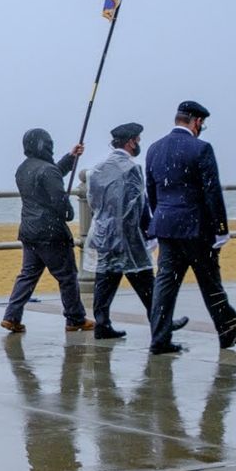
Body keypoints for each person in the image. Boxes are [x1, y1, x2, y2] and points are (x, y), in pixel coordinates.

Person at [145, 100, 236, 355]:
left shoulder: (154, 149)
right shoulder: (201, 149)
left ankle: (159, 339)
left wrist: (162, 216)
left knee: (165, 284)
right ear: (196, 122)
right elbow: (212, 192)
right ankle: (228, 330)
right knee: (209, 282)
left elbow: (151, 191)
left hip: (166, 226)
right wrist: (220, 228)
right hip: (196, 228)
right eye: (201, 124)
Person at [85, 122, 186, 341]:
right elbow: (138, 203)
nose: (139, 143)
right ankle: (161, 323)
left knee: (105, 279)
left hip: (104, 232)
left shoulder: (97, 169)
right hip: (127, 235)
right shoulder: (132, 168)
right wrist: (149, 231)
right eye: (138, 140)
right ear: (131, 142)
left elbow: (93, 201)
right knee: (145, 281)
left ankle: (102, 324)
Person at [0, 128, 90, 334]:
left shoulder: (23, 169)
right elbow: (58, 197)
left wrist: (70, 157)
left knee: (28, 275)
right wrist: (68, 213)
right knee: (67, 276)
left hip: (30, 231)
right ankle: (75, 319)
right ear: (45, 145)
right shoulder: (47, 170)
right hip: (51, 233)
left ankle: (12, 316)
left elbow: (49, 174)